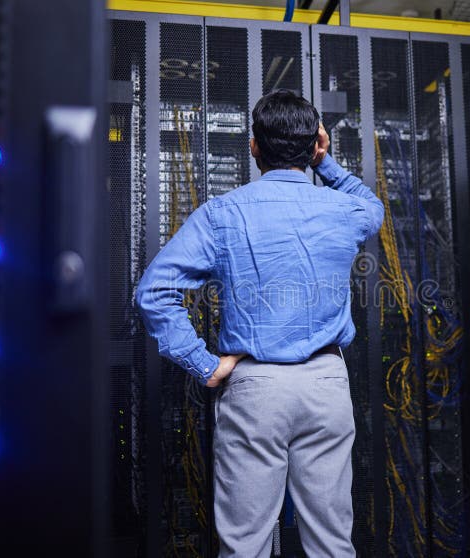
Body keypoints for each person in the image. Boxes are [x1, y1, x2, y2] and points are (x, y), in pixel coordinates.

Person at [136, 89, 384, 557]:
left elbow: (153, 292)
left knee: (245, 546)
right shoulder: (345, 210)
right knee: (332, 545)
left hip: (254, 388)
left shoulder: (222, 214)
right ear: (315, 146)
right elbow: (372, 205)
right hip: (327, 383)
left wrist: (204, 364)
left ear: (253, 147)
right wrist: (325, 163)